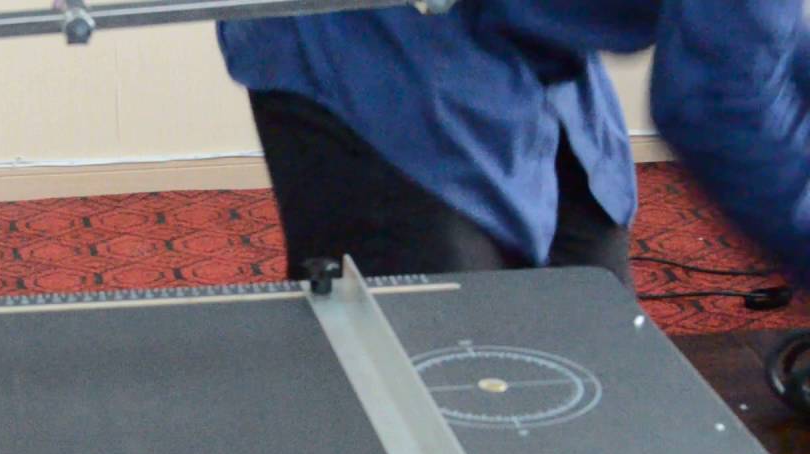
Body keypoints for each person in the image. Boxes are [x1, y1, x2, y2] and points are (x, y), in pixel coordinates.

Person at [217, 1, 810, 288]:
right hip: (367, 37)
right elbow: (722, 100)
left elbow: (774, 43)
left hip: (527, 39)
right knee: (435, 375)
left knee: (601, 353)